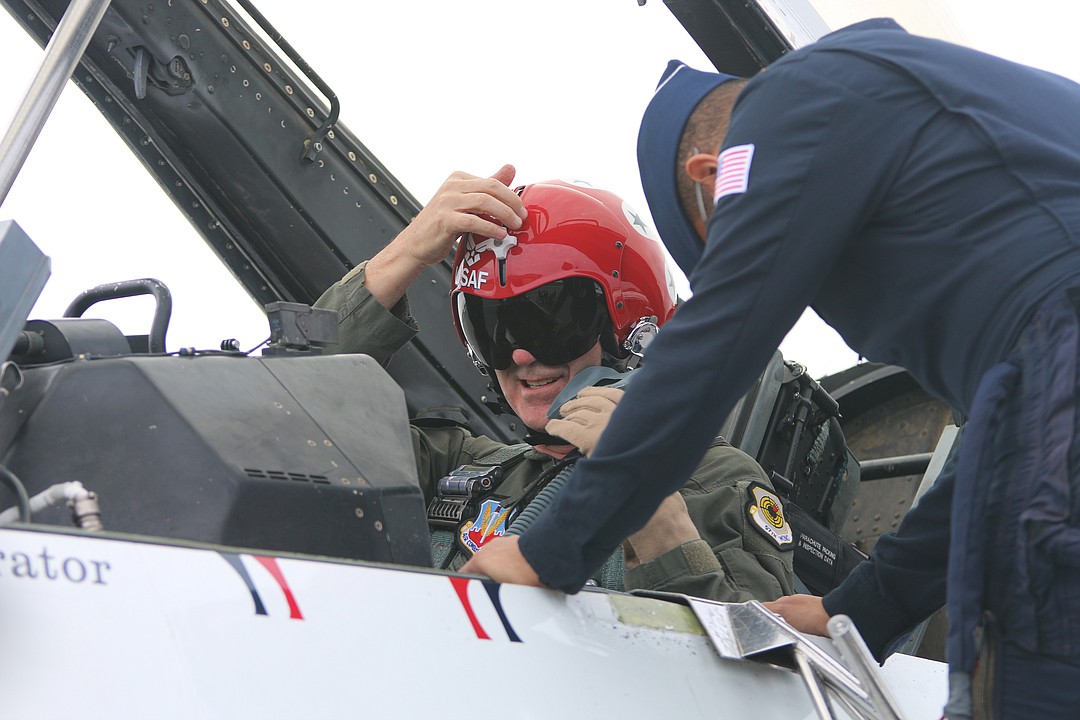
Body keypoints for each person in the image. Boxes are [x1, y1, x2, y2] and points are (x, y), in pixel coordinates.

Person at [460, 19, 1080, 718]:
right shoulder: (952, 146)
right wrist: (861, 610)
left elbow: (719, 339)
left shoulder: (793, 107)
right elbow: (996, 454)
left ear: (715, 176)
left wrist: (549, 552)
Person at [314, 166, 794, 600]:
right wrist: (407, 252)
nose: (522, 356)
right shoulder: (455, 465)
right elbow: (290, 414)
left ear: (630, 330)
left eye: (550, 323)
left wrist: (644, 496)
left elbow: (763, 655)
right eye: (493, 330)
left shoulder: (714, 479)